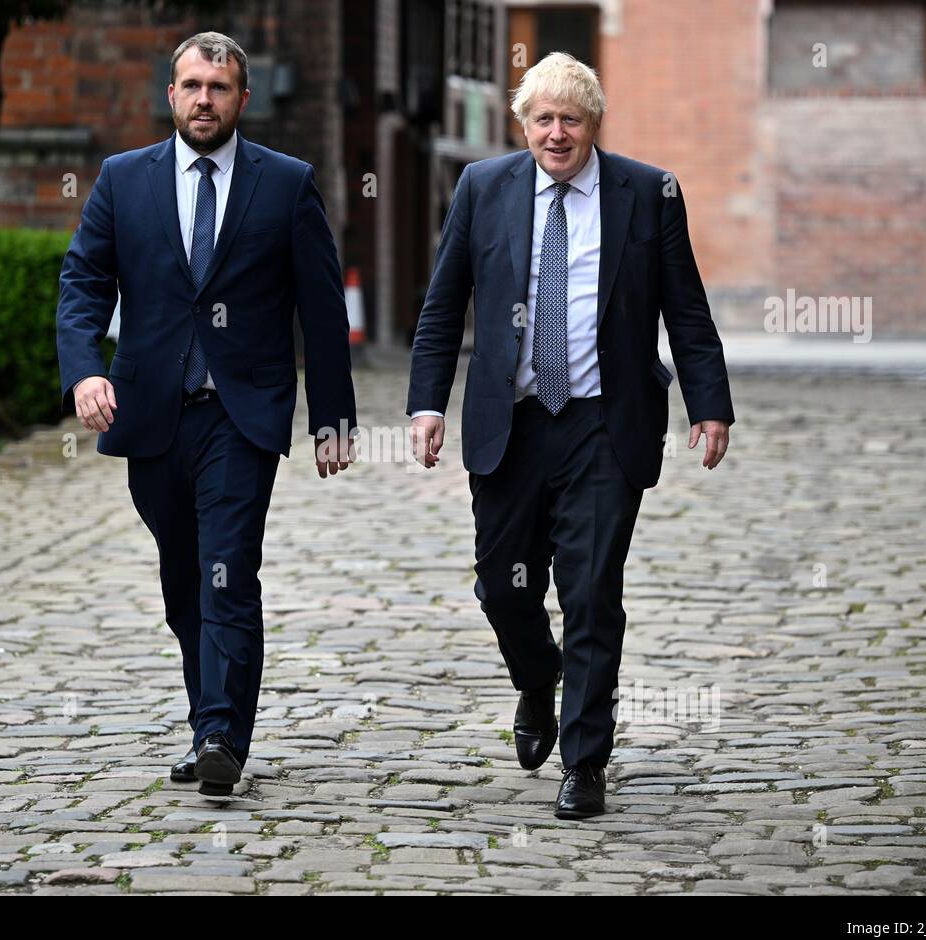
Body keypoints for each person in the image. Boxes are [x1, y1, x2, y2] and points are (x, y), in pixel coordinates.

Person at [406, 52, 734, 819]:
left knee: (591, 593)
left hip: (602, 424)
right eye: (543, 120)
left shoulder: (647, 193)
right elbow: (443, 302)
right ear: (523, 125)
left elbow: (685, 308)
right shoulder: (483, 188)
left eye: (571, 120)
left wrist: (709, 404)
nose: (557, 134)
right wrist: (426, 404)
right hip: (511, 426)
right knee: (501, 585)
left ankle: (584, 762)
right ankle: (535, 675)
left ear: (594, 124)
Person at [57, 31, 357, 796]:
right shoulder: (125, 180)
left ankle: (222, 732)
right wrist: (85, 371)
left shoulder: (286, 184)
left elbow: (321, 310)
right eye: (191, 86)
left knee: (229, 570)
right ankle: (207, 720)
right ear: (171, 94)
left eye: (219, 88)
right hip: (153, 412)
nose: (204, 100)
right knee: (184, 582)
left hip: (241, 414)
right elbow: (84, 281)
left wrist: (333, 416)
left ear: (241, 99)